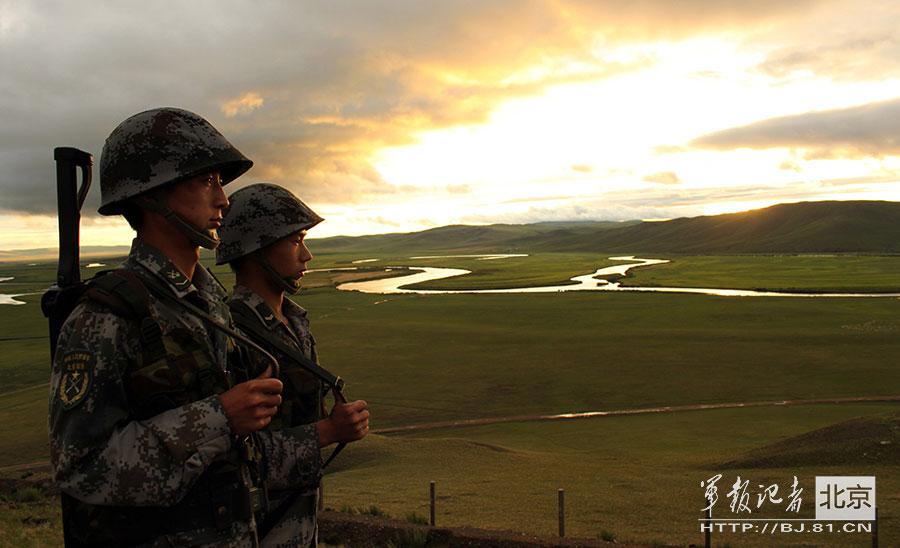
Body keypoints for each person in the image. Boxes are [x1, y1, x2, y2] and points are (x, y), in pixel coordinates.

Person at [48, 108, 360, 547]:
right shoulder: (107, 316)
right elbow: (81, 468)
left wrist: (317, 434)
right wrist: (219, 415)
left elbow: (245, 460)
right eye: (205, 182)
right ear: (151, 193)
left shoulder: (211, 308)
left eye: (220, 183)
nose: (224, 200)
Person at [216, 183, 370, 547]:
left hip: (296, 518)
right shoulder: (233, 332)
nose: (307, 255)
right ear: (256, 247)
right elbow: (230, 455)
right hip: (253, 527)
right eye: (295, 241)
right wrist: (328, 431)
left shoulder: (292, 319)